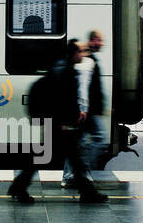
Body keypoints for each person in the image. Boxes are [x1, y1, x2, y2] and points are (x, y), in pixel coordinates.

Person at [8, 40, 107, 206]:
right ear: (74, 53)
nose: (84, 54)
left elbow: (66, 98)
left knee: (69, 159)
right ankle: (19, 187)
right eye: (81, 51)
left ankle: (87, 191)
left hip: (58, 123)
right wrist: (64, 121)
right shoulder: (65, 70)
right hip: (58, 124)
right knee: (60, 159)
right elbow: (61, 99)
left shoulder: (63, 68)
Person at [62, 29, 108, 186]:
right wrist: (84, 108)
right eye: (99, 40)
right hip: (86, 111)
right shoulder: (87, 63)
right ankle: (82, 173)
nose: (101, 43)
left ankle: (71, 175)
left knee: (78, 142)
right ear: (93, 40)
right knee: (98, 138)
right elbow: (84, 88)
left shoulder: (88, 61)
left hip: (85, 110)